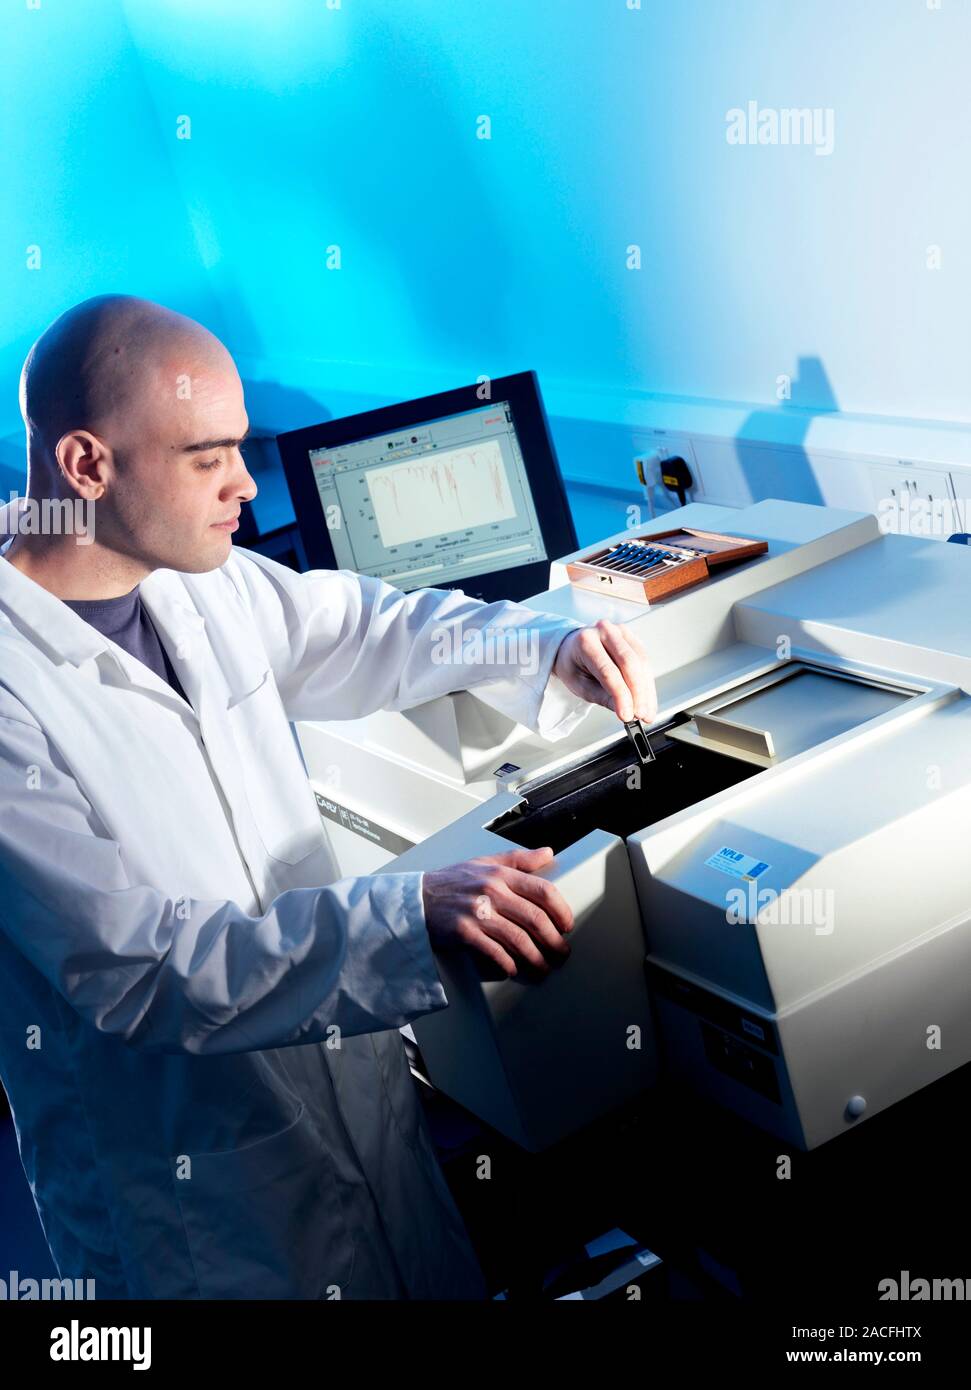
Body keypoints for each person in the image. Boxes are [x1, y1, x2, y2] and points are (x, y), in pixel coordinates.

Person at [0, 295, 657, 1300]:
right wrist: (407, 913)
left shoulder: (198, 579)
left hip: (360, 1127)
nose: (247, 485)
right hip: (194, 1207)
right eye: (207, 457)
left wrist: (545, 645)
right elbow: (137, 968)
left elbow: (363, 630)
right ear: (87, 466)